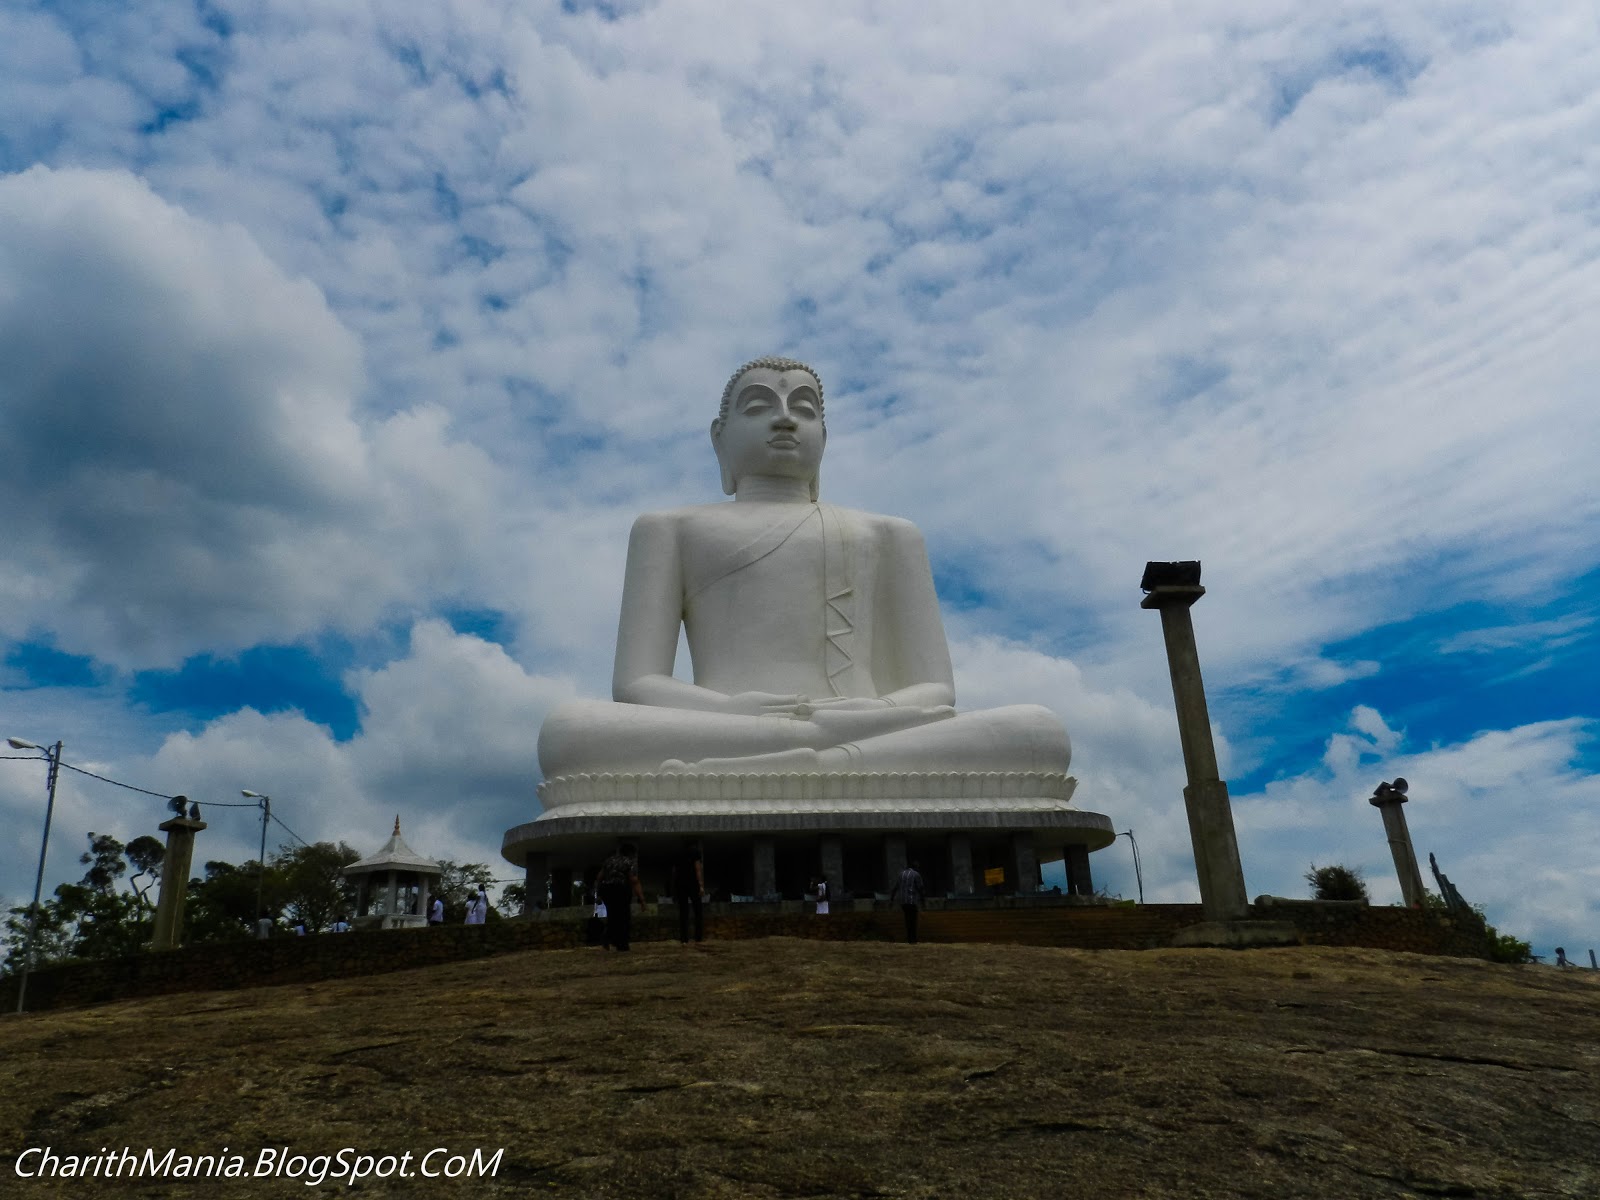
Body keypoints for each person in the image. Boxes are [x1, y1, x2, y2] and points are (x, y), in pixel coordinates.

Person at [535, 357, 1071, 784]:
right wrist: (738, 714)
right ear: (719, 437)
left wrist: (870, 714)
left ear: (824, 437)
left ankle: (822, 761)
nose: (786, 417)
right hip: (728, 727)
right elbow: (636, 683)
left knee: (1038, 731)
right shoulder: (669, 527)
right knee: (568, 733)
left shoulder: (890, 533)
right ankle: (827, 760)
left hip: (870, 724)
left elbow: (935, 689)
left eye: (805, 408)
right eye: (759, 406)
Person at [597, 841, 646, 951]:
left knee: (613, 915)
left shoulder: (609, 860)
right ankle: (622, 944)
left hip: (607, 890)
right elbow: (634, 880)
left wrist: (599, 893)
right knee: (624, 917)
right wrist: (642, 899)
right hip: (620, 890)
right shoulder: (628, 862)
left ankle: (610, 936)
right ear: (630, 853)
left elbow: (599, 877)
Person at [670, 839, 707, 944]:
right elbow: (698, 869)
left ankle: (684, 938)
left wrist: (674, 888)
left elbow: (674, 872)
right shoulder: (695, 853)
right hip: (693, 884)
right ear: (694, 845)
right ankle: (698, 937)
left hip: (680, 884)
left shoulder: (677, 854)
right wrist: (701, 885)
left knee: (683, 912)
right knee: (698, 911)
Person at [890, 861, 925, 944]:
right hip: (912, 901)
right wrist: (923, 900)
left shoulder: (901, 874)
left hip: (903, 901)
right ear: (915, 867)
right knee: (913, 920)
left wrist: (891, 899)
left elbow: (895, 888)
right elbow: (920, 888)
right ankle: (913, 940)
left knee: (907, 919)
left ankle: (909, 939)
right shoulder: (916, 874)